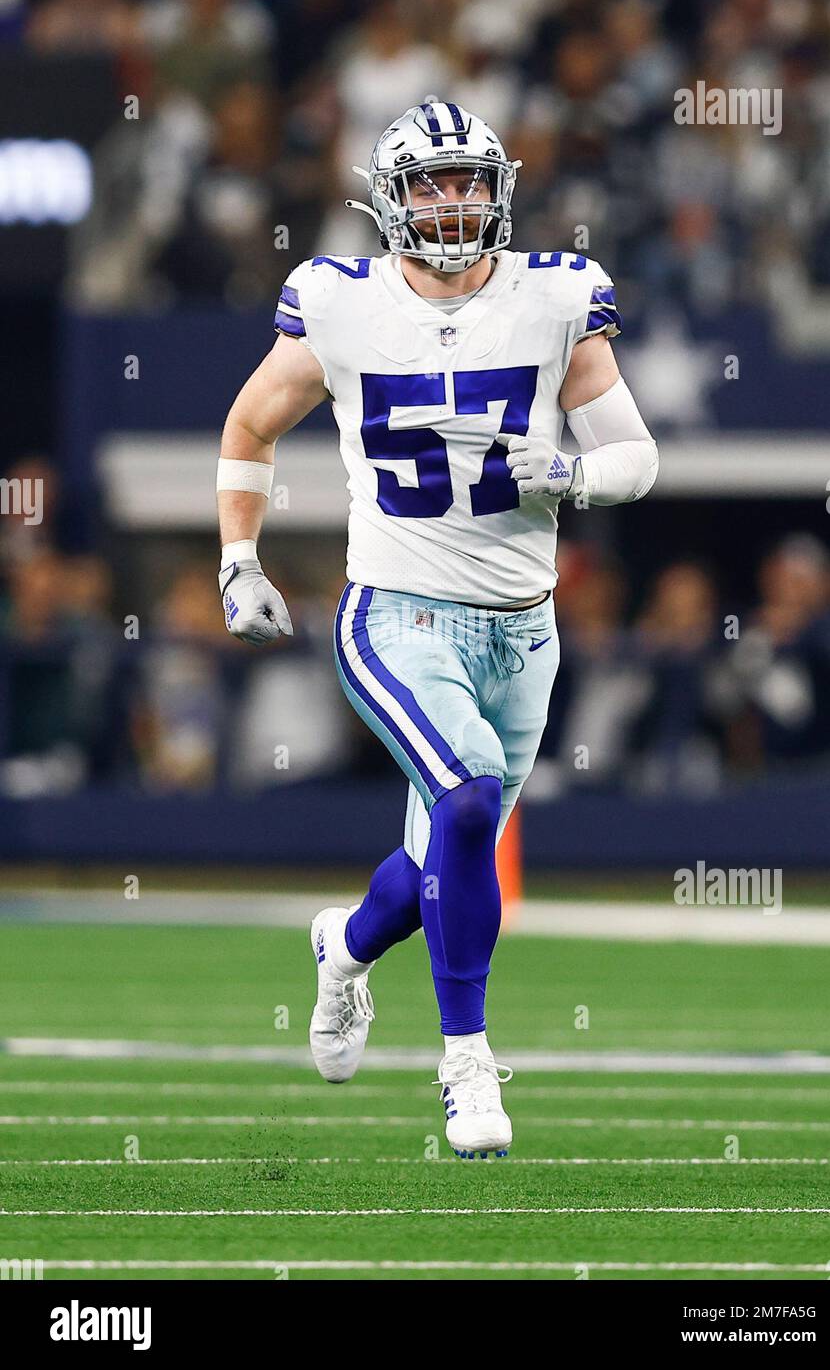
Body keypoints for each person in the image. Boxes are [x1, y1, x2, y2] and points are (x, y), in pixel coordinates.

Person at [215, 99, 658, 1157]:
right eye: (429, 182)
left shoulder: (553, 296)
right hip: (397, 614)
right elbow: (249, 422)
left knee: (441, 858)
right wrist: (238, 560)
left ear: (497, 187)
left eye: (467, 180)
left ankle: (345, 946)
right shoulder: (337, 303)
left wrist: (569, 472)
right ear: (387, 198)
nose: (451, 202)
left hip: (524, 629)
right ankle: (465, 1064)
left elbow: (634, 455)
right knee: (462, 803)